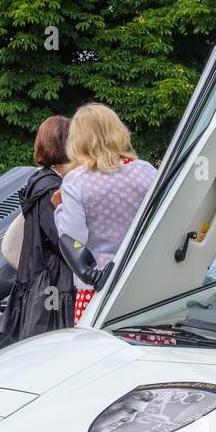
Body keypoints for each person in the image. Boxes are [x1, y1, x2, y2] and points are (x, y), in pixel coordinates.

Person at [54, 104, 157, 324]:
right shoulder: (146, 170)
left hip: (98, 283)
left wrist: (60, 208)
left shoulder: (77, 180)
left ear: (78, 138)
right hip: (144, 278)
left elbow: (74, 238)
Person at [0, 116, 76, 340]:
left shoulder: (40, 181)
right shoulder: (50, 188)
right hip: (53, 281)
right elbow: (61, 238)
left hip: (41, 279)